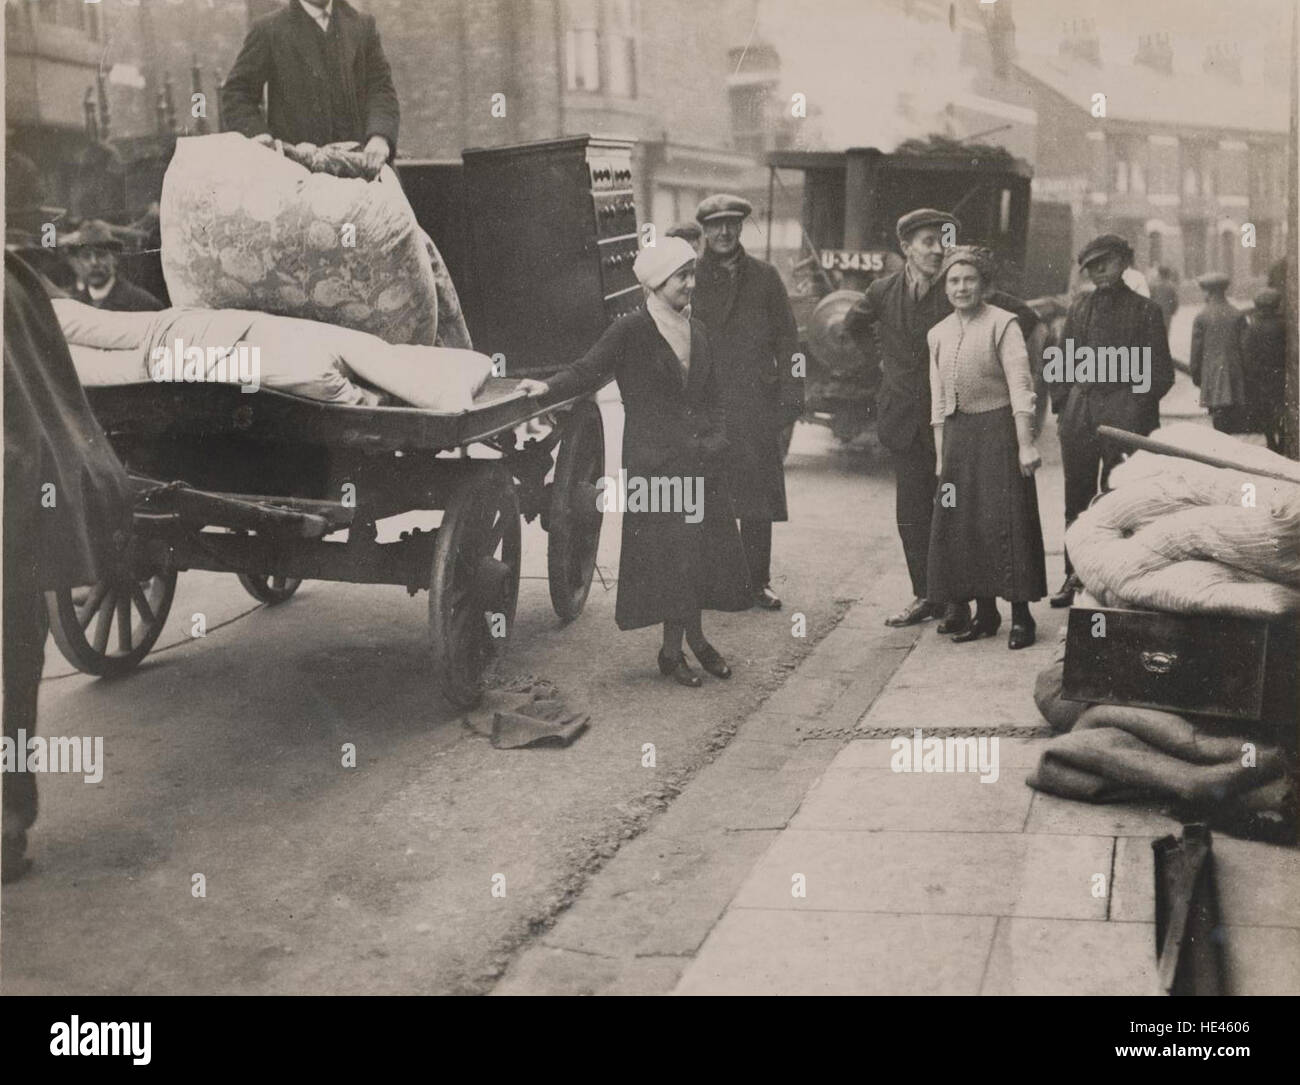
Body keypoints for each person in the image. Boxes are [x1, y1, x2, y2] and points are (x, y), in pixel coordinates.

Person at [517, 237, 751, 687]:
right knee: (672, 557)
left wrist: (718, 440)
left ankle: (694, 641)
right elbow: (588, 371)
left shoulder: (697, 331)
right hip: (654, 465)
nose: (690, 283)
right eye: (681, 276)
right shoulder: (630, 331)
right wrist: (546, 388)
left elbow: (715, 398)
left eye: (691, 274)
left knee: (698, 554)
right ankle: (674, 650)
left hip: (700, 460)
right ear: (657, 282)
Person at [4, 175, 135, 880]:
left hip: (13, 509)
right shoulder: (19, 281)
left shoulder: (11, 286)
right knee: (13, 674)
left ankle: (6, 823)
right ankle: (8, 820)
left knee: (11, 672)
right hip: (19, 502)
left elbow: (25, 427)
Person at [843, 208, 1040, 632]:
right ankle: (926, 595)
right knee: (911, 515)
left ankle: (957, 602)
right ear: (906, 248)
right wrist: (881, 363)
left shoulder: (960, 285)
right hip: (903, 421)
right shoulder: (882, 291)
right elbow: (853, 324)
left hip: (955, 424)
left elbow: (1026, 319)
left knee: (955, 514)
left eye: (943, 241)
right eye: (929, 242)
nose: (938, 250)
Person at [926, 247, 1045, 649]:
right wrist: (943, 456)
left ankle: (1022, 617)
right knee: (966, 527)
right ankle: (986, 613)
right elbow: (938, 402)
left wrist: (1025, 443)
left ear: (984, 284)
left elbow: (1021, 386)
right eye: (954, 281)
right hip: (960, 439)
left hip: (998, 433)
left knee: (1007, 522)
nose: (962, 288)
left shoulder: (1003, 324)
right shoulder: (938, 333)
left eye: (969, 280)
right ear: (945, 287)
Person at [690, 194, 803, 611]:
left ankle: (758, 582)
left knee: (757, 498)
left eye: (731, 224)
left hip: (755, 401)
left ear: (741, 228)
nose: (723, 232)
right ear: (704, 230)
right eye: (715, 225)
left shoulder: (765, 277)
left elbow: (789, 339)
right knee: (706, 493)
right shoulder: (689, 277)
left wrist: (792, 395)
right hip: (706, 403)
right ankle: (708, 583)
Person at [1050, 234, 1174, 608]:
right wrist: (1064, 408)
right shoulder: (1080, 308)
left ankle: (1116, 578)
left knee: (1120, 497)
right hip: (1081, 416)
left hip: (1126, 419)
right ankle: (1075, 575)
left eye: (1106, 262)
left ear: (1124, 262)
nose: (1099, 271)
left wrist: (1132, 405)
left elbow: (1160, 374)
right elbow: (1062, 361)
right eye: (1091, 266)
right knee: (1077, 497)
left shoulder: (1145, 311)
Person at [220, 0, 400, 177]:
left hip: (361, 169)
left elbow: (381, 89)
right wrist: (258, 135)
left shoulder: (363, 25)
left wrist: (380, 136)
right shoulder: (269, 29)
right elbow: (237, 92)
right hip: (297, 174)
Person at [1189, 271, 1249, 434]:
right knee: (1231, 420)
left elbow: (1196, 352)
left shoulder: (1202, 316)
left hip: (1212, 375)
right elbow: (1246, 349)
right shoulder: (1237, 315)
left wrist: (1196, 375)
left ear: (1208, 292)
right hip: (1234, 374)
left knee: (1218, 420)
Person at [60, 220, 162, 313]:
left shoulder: (142, 303)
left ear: (115, 258)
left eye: (101, 254)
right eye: (86, 256)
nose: (94, 262)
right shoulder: (74, 305)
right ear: (79, 262)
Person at [1243, 288, 1287, 452]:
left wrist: (1251, 374)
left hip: (1260, 375)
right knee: (1280, 406)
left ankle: (1270, 441)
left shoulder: (1253, 327)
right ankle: (1282, 440)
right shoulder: (1283, 325)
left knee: (1264, 409)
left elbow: (1247, 353)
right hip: (1280, 373)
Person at [1149, 265, 1179, 333]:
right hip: (1166, 314)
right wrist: (1173, 311)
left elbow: (1150, 299)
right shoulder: (1171, 286)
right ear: (1168, 274)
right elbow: (1175, 301)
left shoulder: (1154, 286)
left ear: (1159, 274)